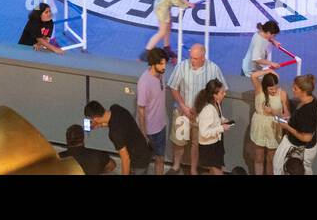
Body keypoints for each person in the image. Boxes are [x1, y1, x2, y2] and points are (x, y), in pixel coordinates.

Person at [167, 44, 225, 175]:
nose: (192, 61)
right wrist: (183, 106)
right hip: (182, 112)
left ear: (203, 57)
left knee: (196, 143)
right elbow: (173, 87)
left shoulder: (213, 69)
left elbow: (222, 91)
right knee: (179, 141)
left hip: (202, 116)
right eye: (191, 57)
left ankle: (193, 170)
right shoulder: (182, 66)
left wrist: (210, 111)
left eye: (195, 58)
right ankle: (176, 166)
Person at [84, 100, 153, 176]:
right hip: (144, 149)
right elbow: (119, 123)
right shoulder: (116, 108)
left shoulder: (115, 134)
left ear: (95, 119)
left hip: (138, 161)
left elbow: (125, 159)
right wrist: (101, 125)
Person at [272, 73, 317, 175]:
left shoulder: (308, 112)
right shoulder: (310, 100)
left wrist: (287, 127)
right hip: (298, 145)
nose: (292, 90)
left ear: (304, 91)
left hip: (299, 148)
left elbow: (306, 137)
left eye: (295, 88)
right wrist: (290, 119)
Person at [245, 69, 287, 175]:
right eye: (271, 88)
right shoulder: (259, 89)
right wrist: (269, 70)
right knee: (258, 158)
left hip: (273, 128)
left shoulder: (282, 94)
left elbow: (286, 115)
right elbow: (253, 76)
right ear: (265, 86)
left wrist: (272, 111)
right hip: (259, 127)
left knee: (271, 159)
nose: (274, 91)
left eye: (275, 87)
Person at [136, 48, 169, 175]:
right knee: (143, 164)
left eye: (165, 63)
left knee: (160, 158)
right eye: (161, 64)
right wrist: (144, 135)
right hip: (149, 132)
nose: (164, 66)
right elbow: (141, 110)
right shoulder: (144, 82)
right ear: (153, 63)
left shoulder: (161, 74)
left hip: (161, 127)